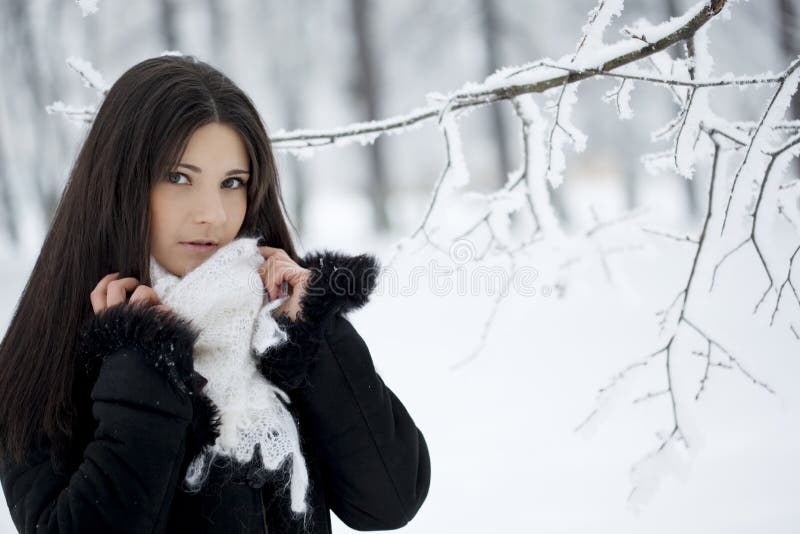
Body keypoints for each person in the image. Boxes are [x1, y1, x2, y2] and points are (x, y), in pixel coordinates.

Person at [0, 54, 430, 533]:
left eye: (232, 183)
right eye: (178, 177)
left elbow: (390, 501)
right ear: (118, 184)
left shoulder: (277, 321)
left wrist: (312, 332)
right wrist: (141, 364)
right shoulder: (46, 360)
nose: (213, 214)